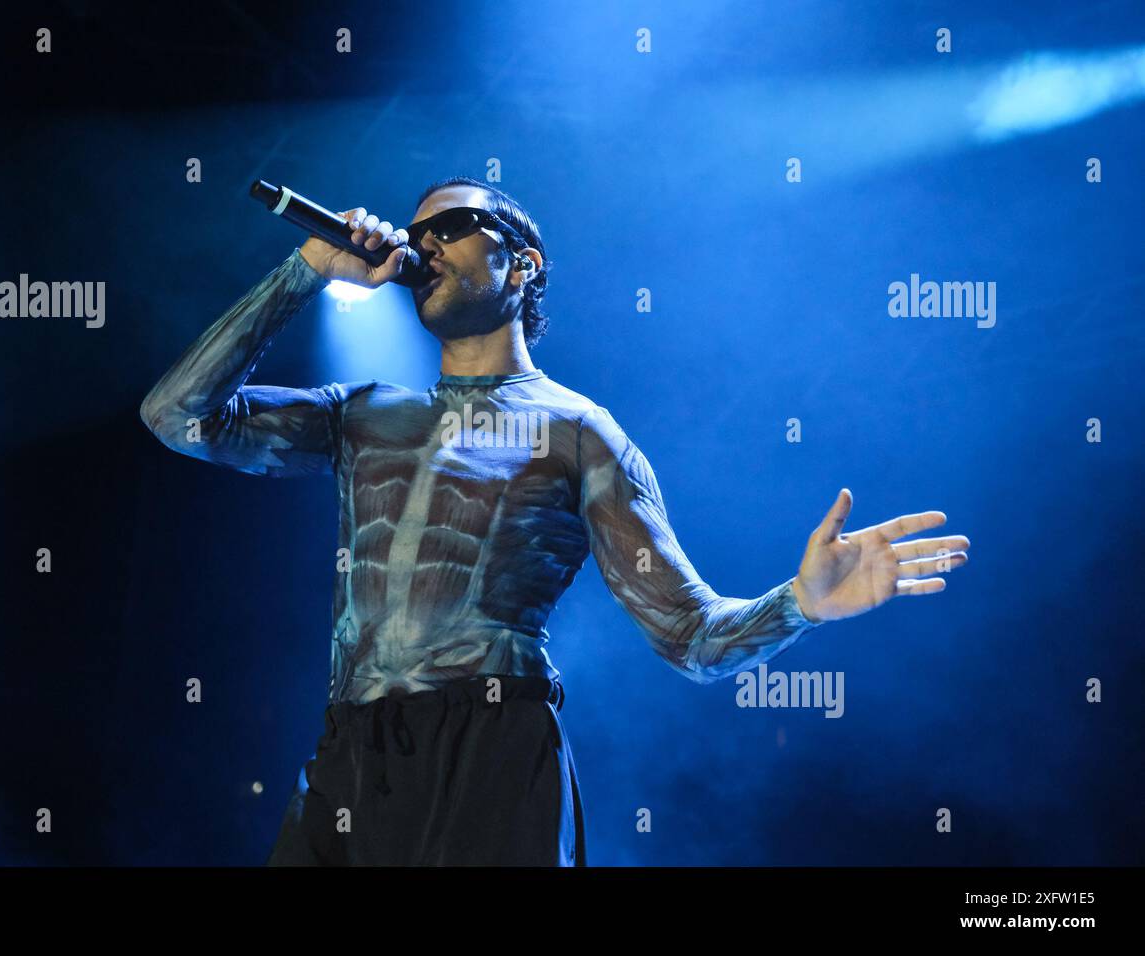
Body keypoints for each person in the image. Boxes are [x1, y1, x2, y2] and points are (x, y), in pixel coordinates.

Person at [139, 175, 971, 866]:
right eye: (416, 231)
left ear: (522, 263)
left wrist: (800, 602)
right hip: (354, 748)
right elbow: (178, 417)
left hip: (492, 745)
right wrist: (307, 270)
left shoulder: (578, 432)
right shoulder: (362, 414)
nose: (425, 243)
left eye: (454, 225)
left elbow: (689, 635)